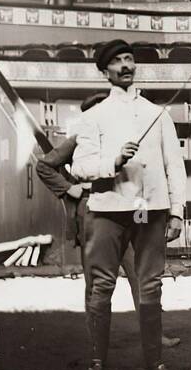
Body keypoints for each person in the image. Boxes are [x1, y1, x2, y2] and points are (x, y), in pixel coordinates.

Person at [71, 40, 187, 370]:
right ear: (104, 71)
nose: (125, 66)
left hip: (151, 210)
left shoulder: (158, 114)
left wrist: (177, 211)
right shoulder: (92, 117)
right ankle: (97, 363)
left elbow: (174, 166)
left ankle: (155, 365)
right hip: (108, 209)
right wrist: (114, 161)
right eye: (117, 61)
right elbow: (79, 167)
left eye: (129, 60)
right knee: (102, 286)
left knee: (151, 285)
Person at [35, 92, 180, 350]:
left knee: (140, 274)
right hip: (92, 213)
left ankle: (155, 336)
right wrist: (70, 189)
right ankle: (96, 346)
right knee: (97, 283)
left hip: (124, 211)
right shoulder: (79, 139)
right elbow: (45, 166)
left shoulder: (121, 142)